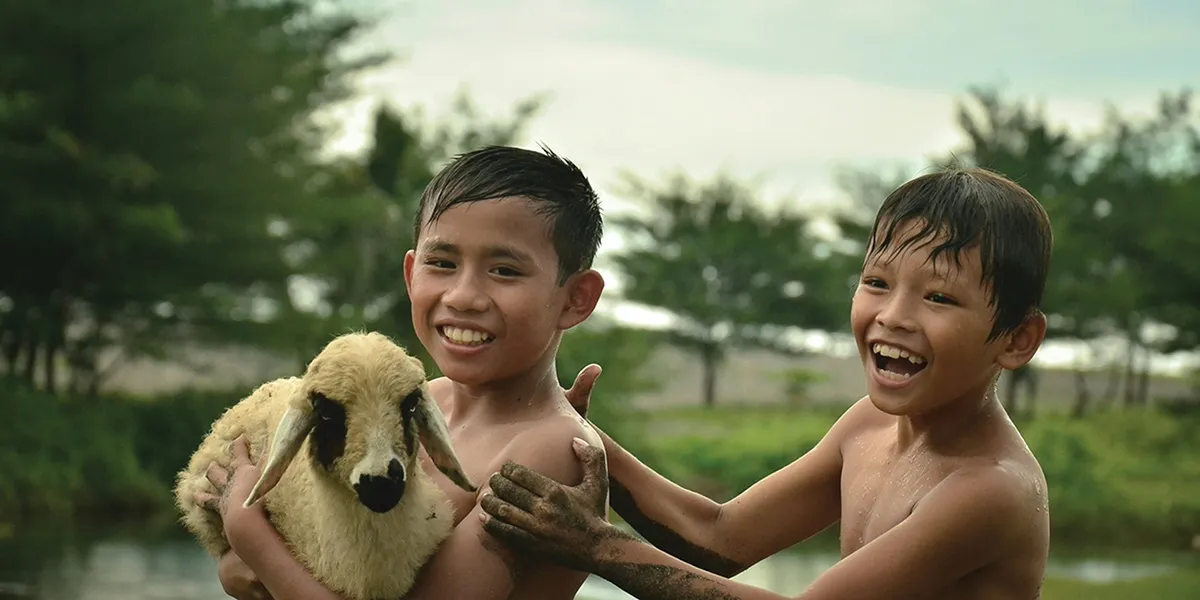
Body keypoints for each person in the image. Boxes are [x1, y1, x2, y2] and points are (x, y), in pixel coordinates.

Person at [479, 167, 1055, 600]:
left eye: (939, 297)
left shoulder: (990, 490)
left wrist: (598, 546)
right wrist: (578, 433)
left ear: (1017, 339)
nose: (894, 316)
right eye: (878, 283)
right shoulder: (870, 425)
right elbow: (720, 537)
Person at [196, 144, 610, 600]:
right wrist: (242, 564)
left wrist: (250, 535)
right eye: (443, 263)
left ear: (576, 298)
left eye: (504, 270)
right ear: (412, 274)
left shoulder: (549, 449)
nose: (462, 296)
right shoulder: (414, 404)